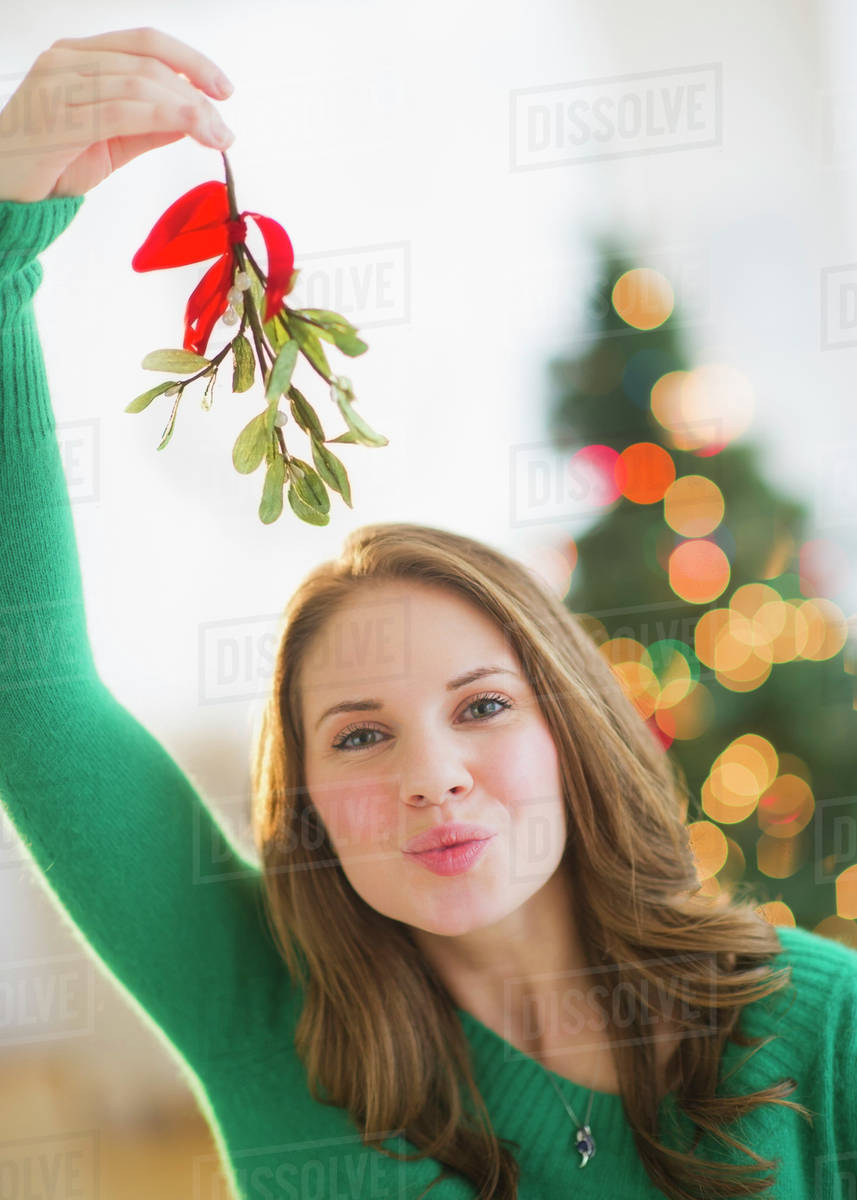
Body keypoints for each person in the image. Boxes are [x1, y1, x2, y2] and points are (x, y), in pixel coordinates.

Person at [1, 27, 855, 1200]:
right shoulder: (271, 1017)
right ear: (308, 805)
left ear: (570, 731)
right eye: (359, 734)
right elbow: (32, 690)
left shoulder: (814, 1024)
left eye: (483, 706)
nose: (431, 777)